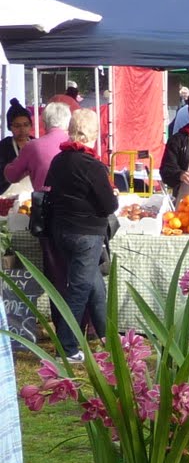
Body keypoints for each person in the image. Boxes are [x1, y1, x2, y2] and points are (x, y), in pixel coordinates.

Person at [40, 111, 115, 362]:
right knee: (79, 290)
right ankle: (68, 349)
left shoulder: (59, 160)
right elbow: (108, 205)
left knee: (94, 284)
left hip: (61, 231)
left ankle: (106, 335)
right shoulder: (92, 165)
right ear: (94, 135)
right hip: (86, 234)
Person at [1, 99, 30, 181]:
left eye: (26, 125)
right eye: (17, 126)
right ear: (10, 127)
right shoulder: (3, 146)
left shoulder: (36, 144)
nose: (22, 130)